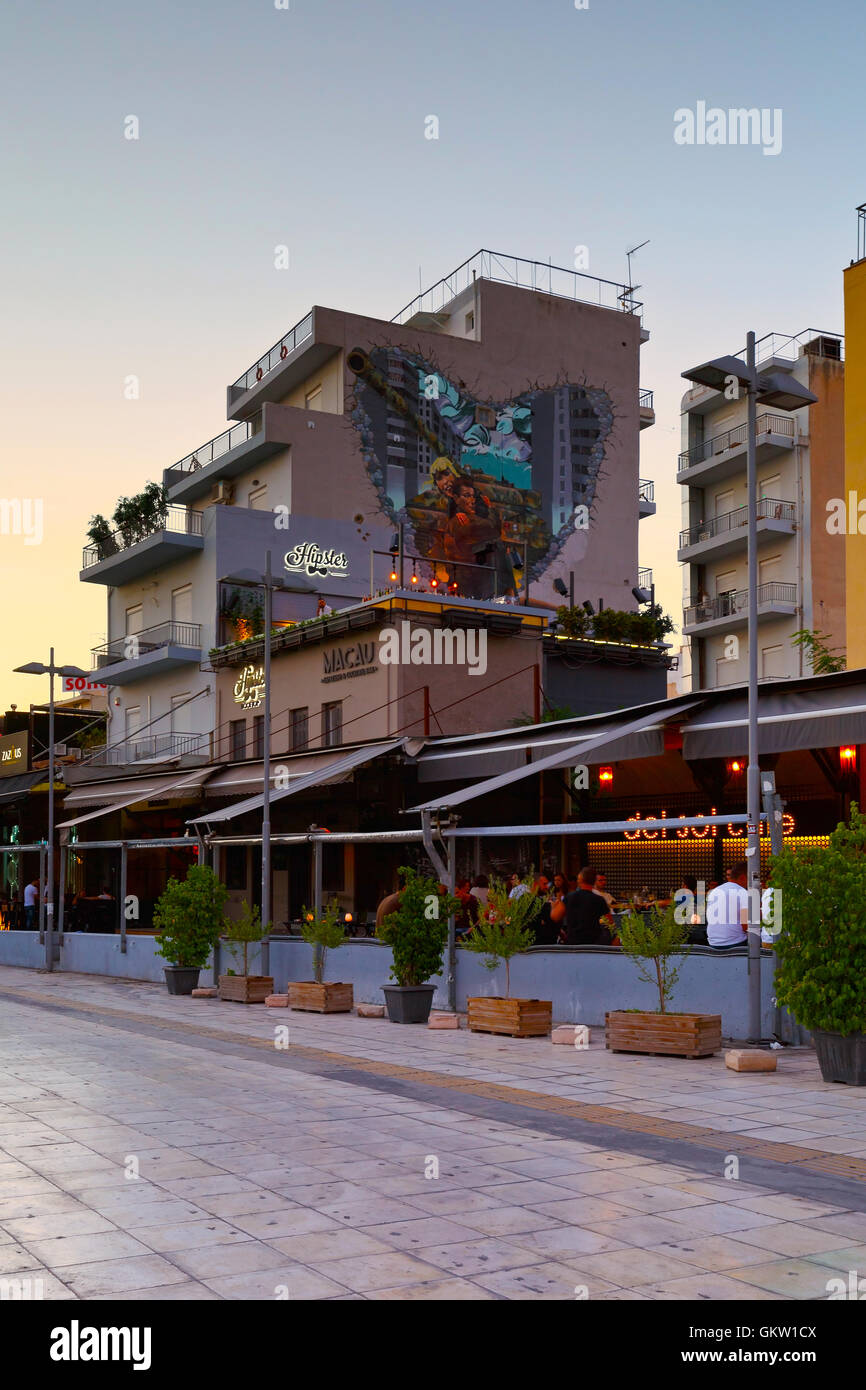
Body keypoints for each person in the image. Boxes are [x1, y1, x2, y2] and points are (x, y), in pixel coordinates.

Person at [706, 860, 749, 949]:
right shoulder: (743, 892)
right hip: (735, 943)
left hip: (713, 943)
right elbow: (746, 926)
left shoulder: (715, 891)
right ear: (743, 877)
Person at [564, 868, 612, 946]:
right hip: (593, 942)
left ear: (580, 880)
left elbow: (556, 916)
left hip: (572, 940)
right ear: (594, 881)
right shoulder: (599, 900)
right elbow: (609, 921)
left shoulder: (569, 897)